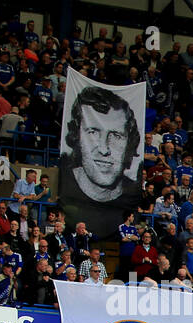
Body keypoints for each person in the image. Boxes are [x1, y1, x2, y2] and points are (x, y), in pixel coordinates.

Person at [59, 83, 143, 238]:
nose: (104, 149)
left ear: (129, 143)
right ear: (77, 137)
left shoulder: (132, 193)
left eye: (116, 136)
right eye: (93, 132)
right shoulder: (65, 183)